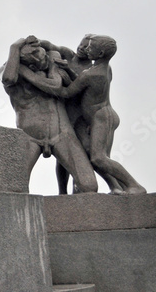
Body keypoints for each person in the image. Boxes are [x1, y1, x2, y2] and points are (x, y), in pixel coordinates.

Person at [20, 35, 146, 195]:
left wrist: (38, 78)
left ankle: (132, 185)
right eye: (84, 45)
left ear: (99, 54)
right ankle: (120, 187)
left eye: (89, 47)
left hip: (100, 118)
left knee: (99, 158)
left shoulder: (92, 74)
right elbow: (82, 83)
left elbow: (66, 92)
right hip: (97, 116)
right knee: (93, 156)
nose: (85, 49)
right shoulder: (104, 68)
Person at [0, 36, 98, 193]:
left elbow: (55, 85)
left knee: (89, 185)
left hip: (61, 132)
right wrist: (14, 47)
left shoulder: (53, 59)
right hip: (29, 134)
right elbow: (8, 79)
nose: (44, 57)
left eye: (43, 53)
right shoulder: (10, 70)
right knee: (13, 187)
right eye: (39, 58)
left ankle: (65, 194)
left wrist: (46, 67)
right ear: (29, 64)